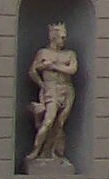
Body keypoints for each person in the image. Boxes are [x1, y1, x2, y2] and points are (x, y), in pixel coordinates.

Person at [28, 22, 79, 162]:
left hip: (67, 89)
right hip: (51, 89)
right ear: (53, 37)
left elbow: (72, 69)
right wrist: (41, 82)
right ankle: (35, 151)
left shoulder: (69, 54)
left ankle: (50, 151)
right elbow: (32, 71)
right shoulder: (43, 53)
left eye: (65, 37)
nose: (64, 40)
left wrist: (53, 66)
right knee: (48, 121)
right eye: (62, 37)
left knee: (60, 122)